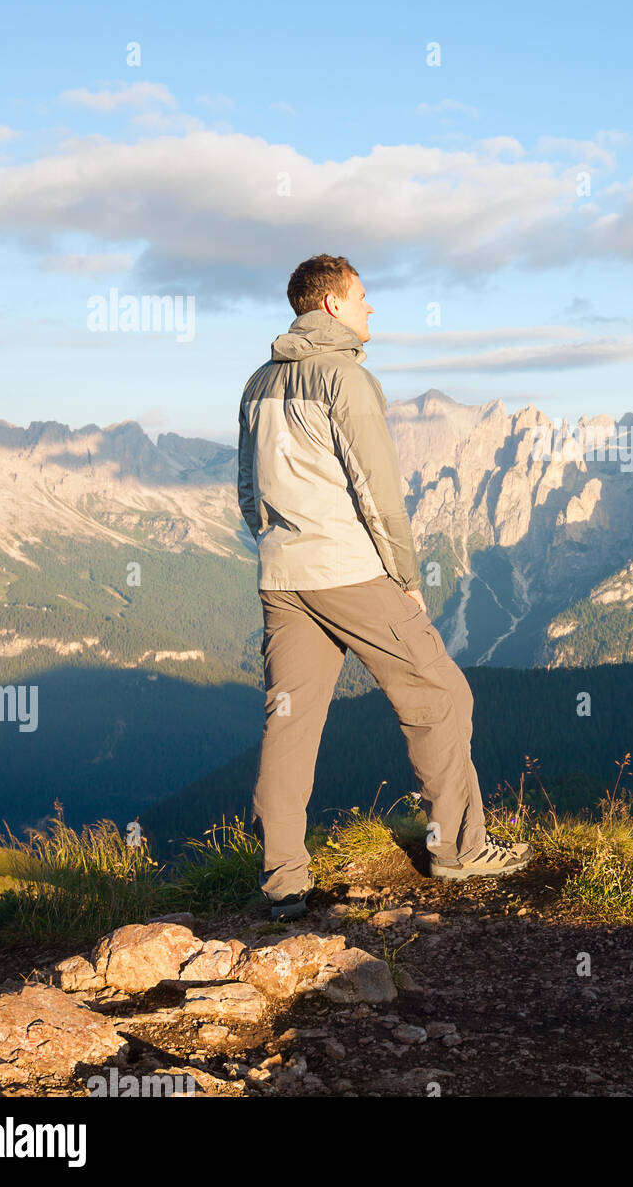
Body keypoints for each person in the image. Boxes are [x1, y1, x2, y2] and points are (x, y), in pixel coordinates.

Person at [237, 254, 531, 918]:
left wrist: (280, 543)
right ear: (334, 305)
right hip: (348, 570)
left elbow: (247, 492)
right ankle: (458, 850)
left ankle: (283, 881)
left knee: (288, 723)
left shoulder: (257, 383)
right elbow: (378, 492)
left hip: (282, 578)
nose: (373, 310)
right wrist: (404, 575)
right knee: (440, 693)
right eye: (364, 297)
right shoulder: (346, 378)